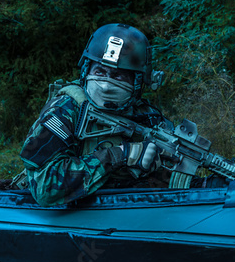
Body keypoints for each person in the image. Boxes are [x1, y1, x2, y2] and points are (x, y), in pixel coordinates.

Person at [19, 23, 172, 206]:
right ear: (86, 70)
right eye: (99, 72)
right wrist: (118, 156)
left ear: (137, 81)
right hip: (68, 220)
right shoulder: (65, 110)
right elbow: (45, 187)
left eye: (118, 76)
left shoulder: (149, 118)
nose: (106, 84)